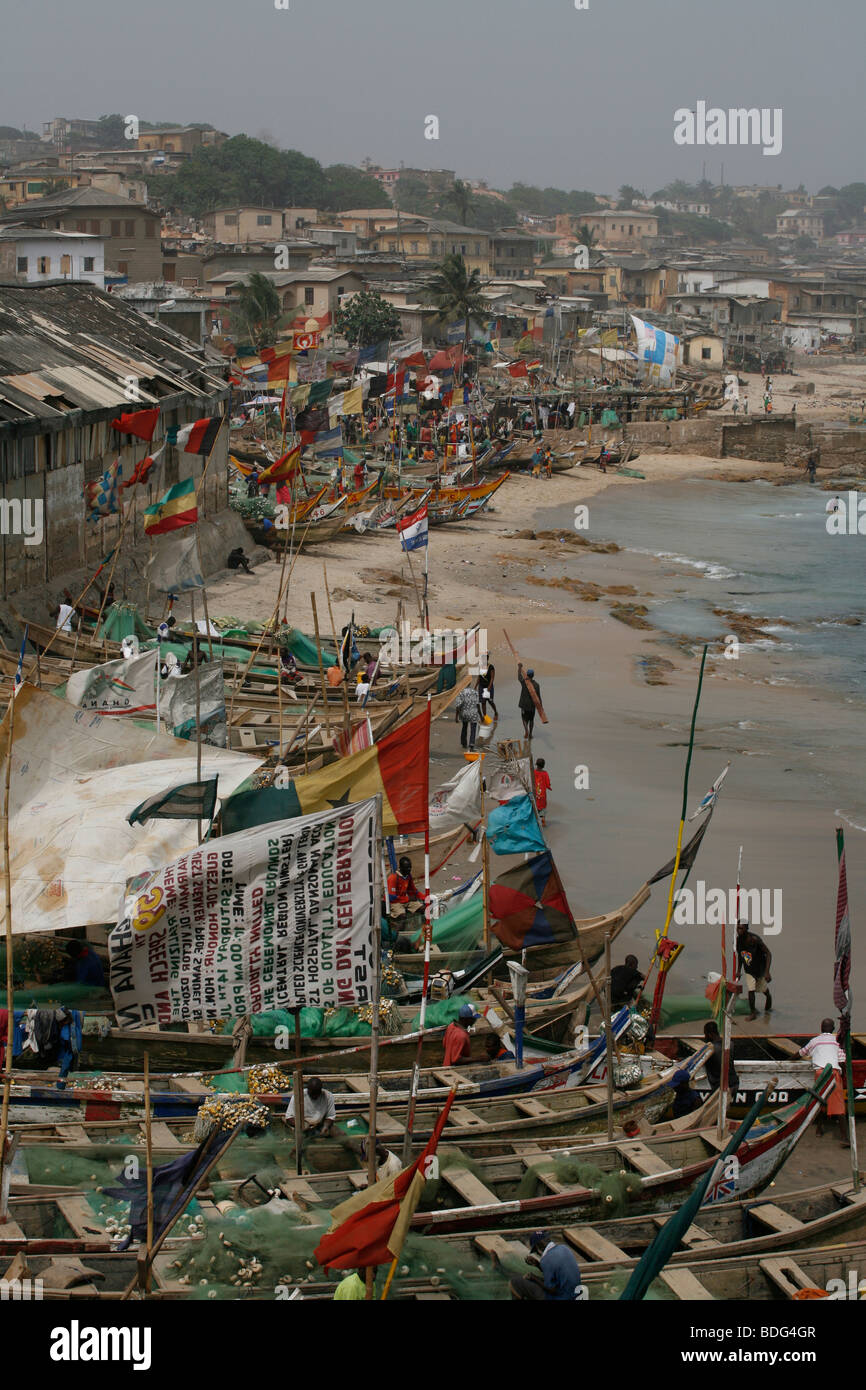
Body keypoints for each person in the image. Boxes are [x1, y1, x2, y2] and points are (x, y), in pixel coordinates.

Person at [799, 1019, 848, 1143]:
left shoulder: (814, 1041)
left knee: (820, 1100)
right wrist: (844, 1077)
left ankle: (819, 1129)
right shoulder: (838, 1041)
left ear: (821, 1028)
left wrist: (787, 1060)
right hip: (833, 1072)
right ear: (832, 1029)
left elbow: (801, 1053)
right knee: (839, 1105)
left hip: (820, 1073)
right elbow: (842, 1062)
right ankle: (844, 1137)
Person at [509, 1230, 582, 1301]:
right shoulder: (564, 1248)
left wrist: (533, 1277)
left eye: (535, 1251)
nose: (537, 1253)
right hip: (575, 1295)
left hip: (561, 1297)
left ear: (538, 1246)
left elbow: (552, 1289)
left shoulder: (546, 1260)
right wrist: (538, 1264)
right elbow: (556, 1275)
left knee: (515, 1282)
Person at [736, 920, 772, 1019]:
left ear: (747, 929)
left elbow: (768, 954)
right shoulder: (738, 940)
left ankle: (768, 997)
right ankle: (753, 1013)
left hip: (759, 968)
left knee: (762, 989)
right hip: (748, 970)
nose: (739, 931)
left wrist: (767, 972)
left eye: (741, 928)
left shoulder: (755, 940)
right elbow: (740, 955)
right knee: (751, 990)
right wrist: (738, 971)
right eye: (737, 928)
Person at [703, 1020, 740, 1095]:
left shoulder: (710, 1050)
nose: (705, 1037)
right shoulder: (730, 1044)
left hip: (720, 1087)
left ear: (710, 1035)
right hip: (734, 1083)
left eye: (705, 1034)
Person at [386, 856, 424, 923]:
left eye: (410, 867)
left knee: (423, 909)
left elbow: (413, 890)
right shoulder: (393, 878)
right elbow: (391, 898)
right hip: (395, 902)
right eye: (407, 868)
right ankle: (397, 932)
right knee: (402, 917)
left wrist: (425, 898)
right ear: (400, 868)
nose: (409, 870)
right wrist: (408, 899)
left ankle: (424, 929)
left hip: (405, 900)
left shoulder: (408, 876)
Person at [455, 681, 481, 751]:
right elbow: (478, 704)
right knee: (473, 729)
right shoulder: (475, 692)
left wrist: (456, 716)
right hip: (473, 713)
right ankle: (471, 744)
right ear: (469, 684)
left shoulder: (461, 692)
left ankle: (464, 743)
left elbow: (458, 706)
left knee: (464, 727)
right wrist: (481, 716)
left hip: (464, 713)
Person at [517, 662, 540, 739]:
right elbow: (538, 697)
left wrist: (519, 668)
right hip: (532, 706)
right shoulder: (536, 685)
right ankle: (530, 734)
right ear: (533, 675)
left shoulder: (524, 682)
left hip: (524, 705)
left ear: (527, 675)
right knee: (531, 720)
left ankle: (526, 730)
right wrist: (540, 707)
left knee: (524, 718)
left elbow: (519, 677)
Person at [534, 757, 551, 826]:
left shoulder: (533, 772)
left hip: (535, 793)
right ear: (543, 765)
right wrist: (549, 786)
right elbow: (547, 783)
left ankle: (535, 819)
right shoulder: (545, 773)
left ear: (536, 765)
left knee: (535, 806)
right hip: (542, 794)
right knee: (543, 806)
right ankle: (543, 818)